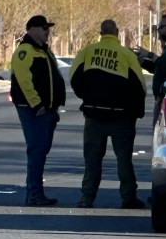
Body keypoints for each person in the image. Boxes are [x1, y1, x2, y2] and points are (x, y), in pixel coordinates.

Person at [70, 19, 147, 209]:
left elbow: (73, 77)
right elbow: (141, 87)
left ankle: (86, 197)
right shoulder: (126, 54)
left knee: (92, 159)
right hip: (121, 117)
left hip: (94, 115)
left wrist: (87, 97)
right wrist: (135, 111)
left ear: (100, 32)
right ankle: (128, 197)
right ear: (117, 32)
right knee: (124, 159)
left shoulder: (87, 51)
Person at [10, 15, 67, 206]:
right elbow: (24, 81)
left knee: (41, 151)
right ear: (31, 29)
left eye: (47, 28)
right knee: (37, 150)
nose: (47, 31)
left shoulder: (43, 51)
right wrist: (37, 105)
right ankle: (34, 194)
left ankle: (36, 193)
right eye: (43, 28)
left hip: (48, 109)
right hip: (33, 110)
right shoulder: (25, 51)